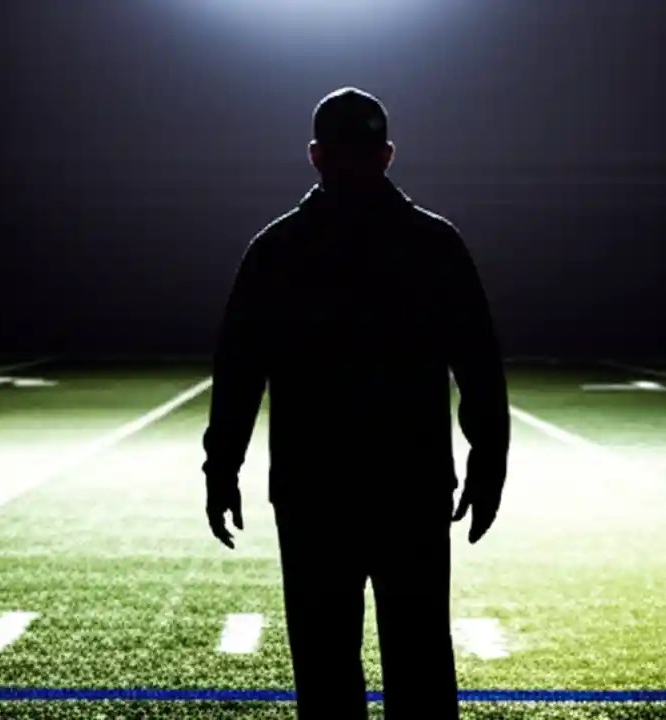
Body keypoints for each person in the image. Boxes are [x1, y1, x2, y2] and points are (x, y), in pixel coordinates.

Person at [201, 86, 510, 719]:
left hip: (314, 489)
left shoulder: (276, 249)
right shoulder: (434, 244)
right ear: (388, 154)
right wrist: (488, 461)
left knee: (324, 670)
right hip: (410, 485)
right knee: (421, 660)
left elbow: (239, 371)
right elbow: (478, 362)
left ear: (314, 155)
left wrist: (222, 466)